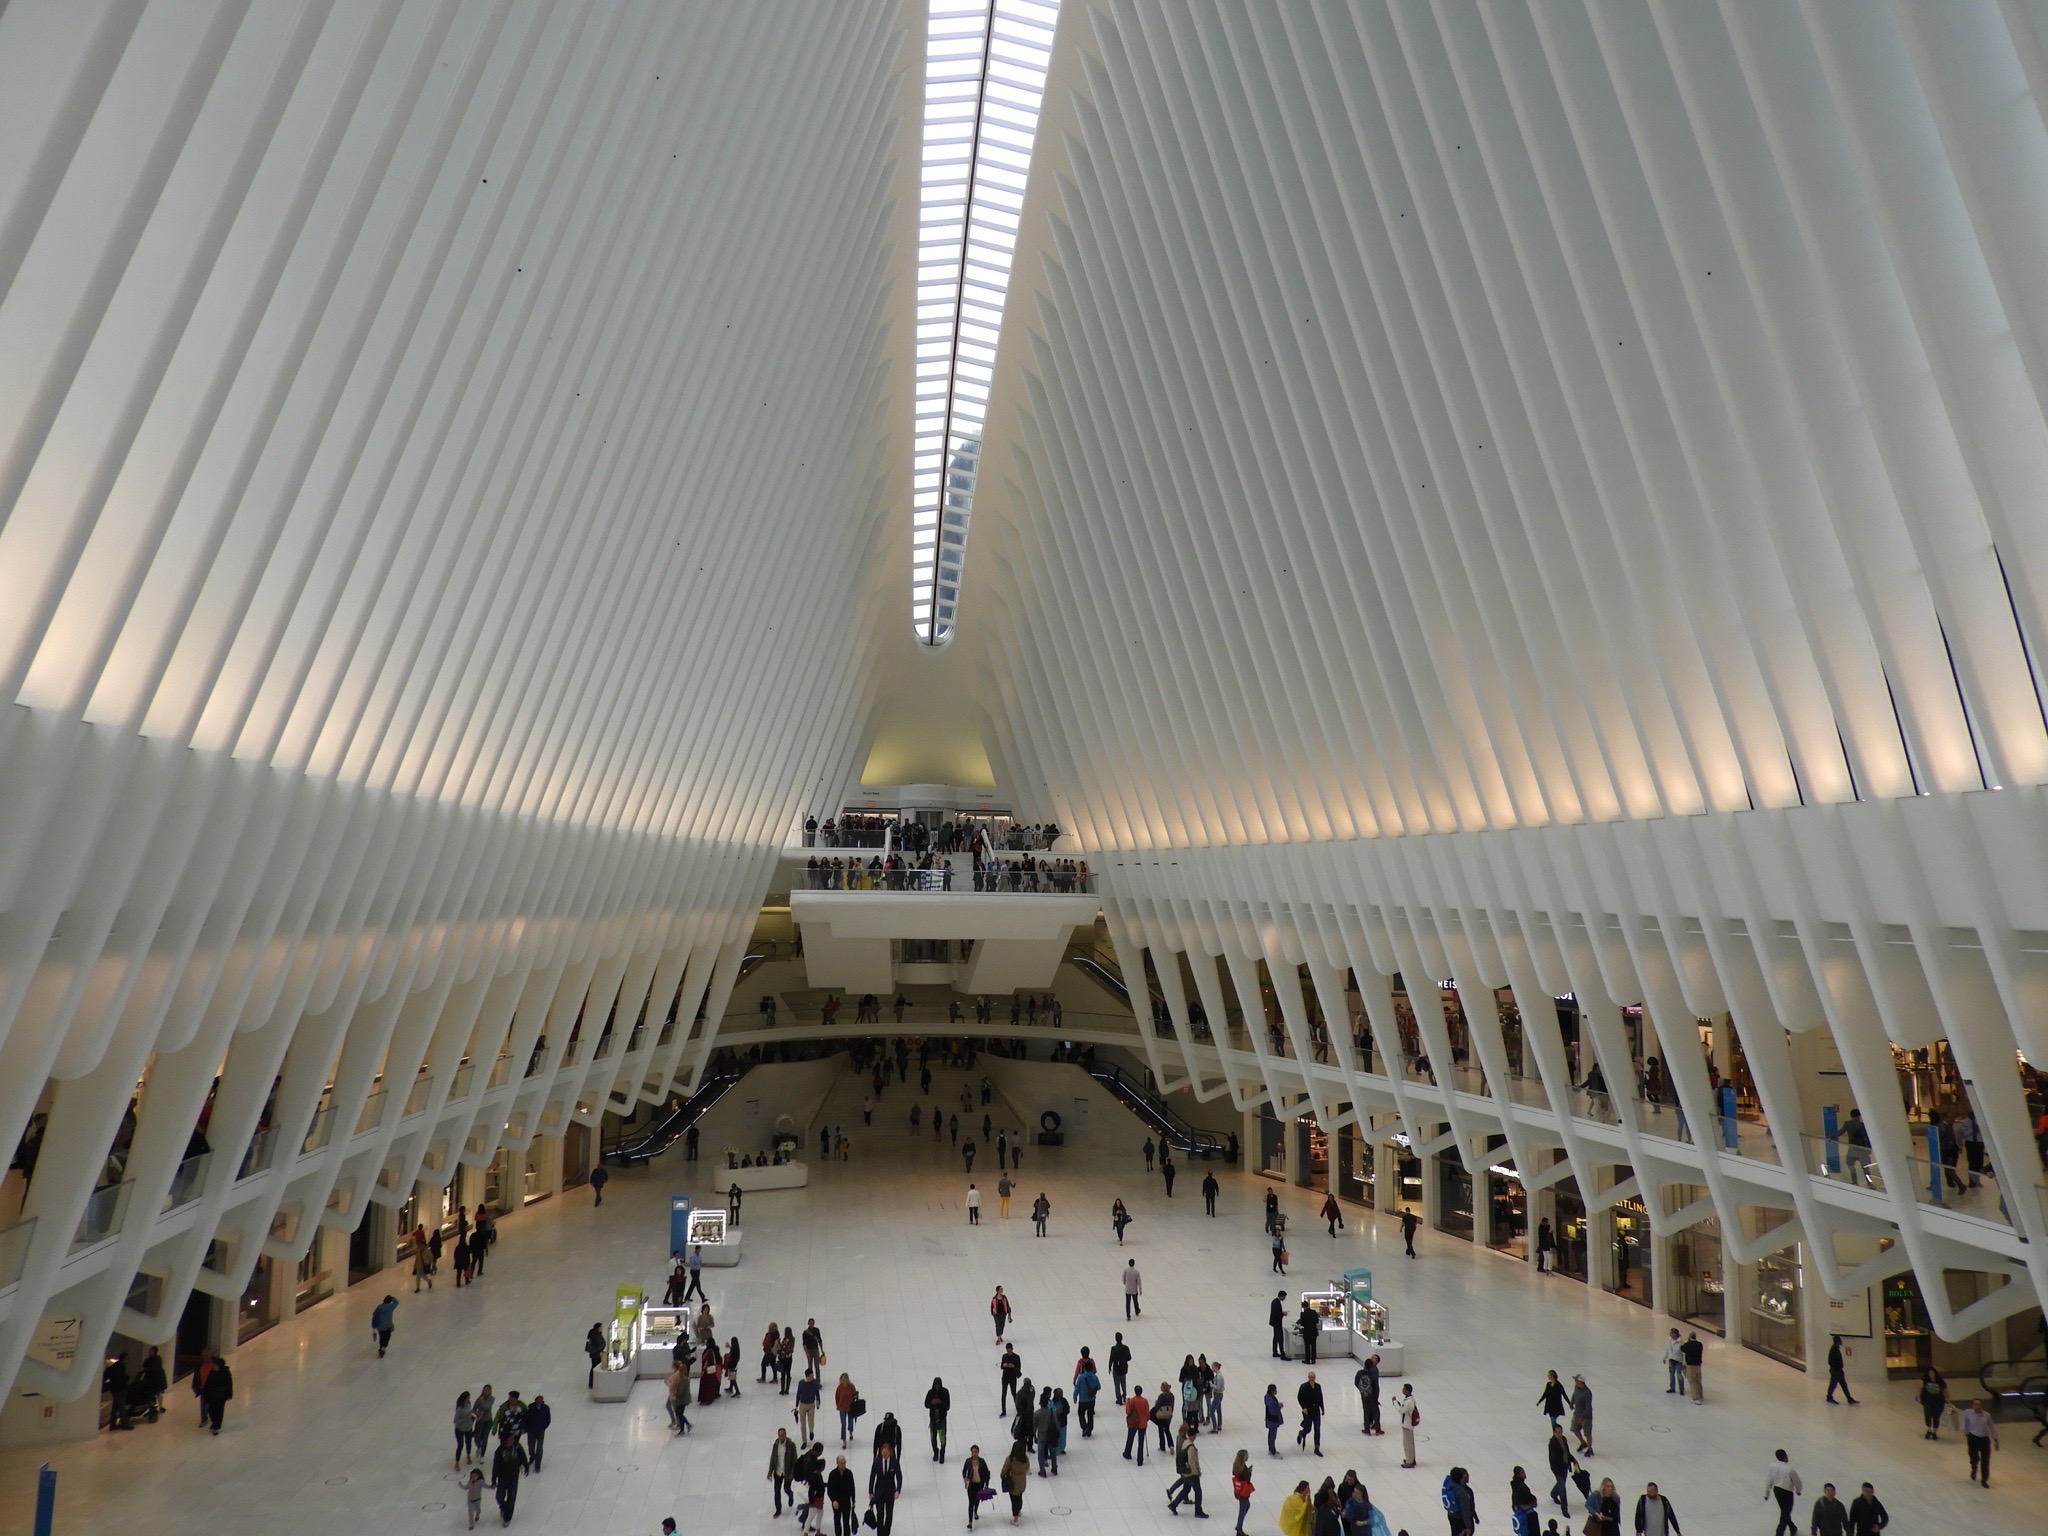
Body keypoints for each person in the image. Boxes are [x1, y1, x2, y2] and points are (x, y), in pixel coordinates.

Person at [490, 1430, 529, 1524]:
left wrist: (526, 1466)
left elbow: (523, 1456)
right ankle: (504, 1507)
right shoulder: (499, 1451)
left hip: (514, 1477)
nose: (513, 1440)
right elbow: (496, 1466)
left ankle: (507, 1518)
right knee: (499, 1497)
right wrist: (494, 1480)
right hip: (503, 1478)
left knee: (511, 1498)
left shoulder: (517, 1447)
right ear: (505, 1440)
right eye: (511, 1439)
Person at [1168, 1422, 1206, 1515]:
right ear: (1193, 1436)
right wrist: (1196, 1472)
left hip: (1185, 1471)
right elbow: (1192, 1461)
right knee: (1198, 1491)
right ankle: (1198, 1511)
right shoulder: (1191, 1447)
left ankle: (1174, 1504)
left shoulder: (1185, 1442)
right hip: (1191, 1473)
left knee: (1186, 1489)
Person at [1763, 1450, 1803, 1536]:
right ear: (1785, 1456)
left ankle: (1793, 1528)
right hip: (1787, 1493)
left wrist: (1767, 1493)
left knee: (1785, 1512)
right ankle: (1779, 1533)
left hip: (1777, 1491)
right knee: (1785, 1513)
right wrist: (1798, 1491)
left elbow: (1769, 1480)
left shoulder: (1772, 1467)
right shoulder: (1789, 1470)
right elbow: (1797, 1482)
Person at [1959, 1398, 1997, 1486]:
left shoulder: (1987, 1415)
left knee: (1986, 1460)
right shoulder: (1968, 1413)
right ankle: (1974, 1467)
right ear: (1973, 1406)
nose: (1978, 1406)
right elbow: (1966, 1425)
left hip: (1984, 1439)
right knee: (1973, 1456)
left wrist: (1995, 1440)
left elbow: (1992, 1427)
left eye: (1980, 1405)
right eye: (1976, 1404)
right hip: (1973, 1438)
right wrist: (1967, 1435)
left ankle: (1984, 1480)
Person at [869, 1443, 903, 1535]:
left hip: (890, 1493)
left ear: (889, 1453)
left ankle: (886, 1533)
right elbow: (872, 1476)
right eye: (882, 1453)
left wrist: (898, 1490)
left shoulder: (894, 1462)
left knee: (889, 1515)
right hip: (879, 1493)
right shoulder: (877, 1462)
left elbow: (899, 1476)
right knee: (880, 1515)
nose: (884, 1455)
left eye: (885, 1453)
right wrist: (871, 1492)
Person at [1545, 1424, 1576, 1515]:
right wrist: (1564, 1464)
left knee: (1561, 1483)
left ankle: (1554, 1494)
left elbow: (1567, 1452)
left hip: (1565, 1467)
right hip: (1558, 1469)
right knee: (1562, 1487)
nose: (1560, 1434)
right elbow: (1555, 1458)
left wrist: (1573, 1459)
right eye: (1558, 1432)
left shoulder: (1564, 1439)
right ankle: (1564, 1509)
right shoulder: (1552, 1443)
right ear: (1554, 1432)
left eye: (1561, 1432)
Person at [826, 1454, 858, 1536]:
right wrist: (833, 1500)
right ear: (837, 1463)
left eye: (844, 1463)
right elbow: (830, 1490)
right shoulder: (832, 1474)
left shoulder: (849, 1473)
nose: (843, 1465)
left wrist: (853, 1500)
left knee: (846, 1522)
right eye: (842, 1463)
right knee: (837, 1521)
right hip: (837, 1502)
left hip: (846, 1501)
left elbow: (852, 1487)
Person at [1001, 1439, 1031, 1524]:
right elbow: (1028, 1468)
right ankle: (1019, 1510)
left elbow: (1004, 1469)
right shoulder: (1025, 1458)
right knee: (1020, 1496)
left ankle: (1015, 1518)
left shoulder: (1010, 1459)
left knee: (1014, 1499)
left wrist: (1003, 1476)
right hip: (1022, 1480)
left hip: (1013, 1480)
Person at [1824, 1335, 1858, 1405]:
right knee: (1833, 1384)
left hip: (1838, 1370)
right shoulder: (1833, 1350)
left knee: (1843, 1385)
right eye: (1840, 1341)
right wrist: (1837, 1367)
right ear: (1837, 1342)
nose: (1841, 1342)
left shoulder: (1836, 1349)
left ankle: (1849, 1398)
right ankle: (1829, 1397)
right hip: (1835, 1371)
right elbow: (1830, 1361)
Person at [1296, 1372, 1324, 1456]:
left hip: (1316, 1411)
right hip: (1308, 1411)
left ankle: (1317, 1447)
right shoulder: (1304, 1387)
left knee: (1317, 1429)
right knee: (1308, 1428)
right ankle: (1301, 1433)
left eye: (1313, 1377)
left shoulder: (1318, 1387)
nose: (1312, 1379)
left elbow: (1320, 1398)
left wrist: (1322, 1408)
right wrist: (1304, 1407)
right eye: (1310, 1377)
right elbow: (1299, 1397)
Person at [964, 1444, 992, 1528]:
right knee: (970, 1502)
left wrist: (986, 1484)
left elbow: (987, 1473)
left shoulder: (982, 1462)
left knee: (977, 1500)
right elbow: (964, 1471)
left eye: (976, 1452)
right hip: (971, 1485)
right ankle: (970, 1522)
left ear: (978, 1452)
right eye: (973, 1452)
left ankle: (975, 1511)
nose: (974, 1453)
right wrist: (965, 1479)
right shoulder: (968, 1461)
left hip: (979, 1484)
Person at [1443, 1466, 1477, 1536]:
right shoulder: (1462, 1492)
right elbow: (1465, 1511)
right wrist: (1468, 1526)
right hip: (1460, 1519)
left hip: (1451, 1515)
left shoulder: (1449, 1484)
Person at [1074, 1353, 1101, 1437]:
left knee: (1081, 1414)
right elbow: (1099, 1387)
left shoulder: (1081, 1377)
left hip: (1082, 1400)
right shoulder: (1095, 1377)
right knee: (1090, 1414)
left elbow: (1077, 1388)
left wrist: (1075, 1397)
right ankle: (1089, 1429)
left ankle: (1084, 1427)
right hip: (1092, 1399)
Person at [1915, 1367, 1948, 1439]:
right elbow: (1920, 1389)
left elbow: (1945, 1391)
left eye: (1933, 1373)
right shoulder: (1925, 1381)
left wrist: (1949, 1401)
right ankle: (1929, 1429)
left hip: (1938, 1402)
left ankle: (1934, 1432)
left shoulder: (1940, 1381)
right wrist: (1919, 1397)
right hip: (1928, 1401)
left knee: (1936, 1417)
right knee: (1928, 1415)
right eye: (1930, 1373)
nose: (1931, 1375)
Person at [927, 1376, 952, 1461]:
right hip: (933, 1419)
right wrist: (932, 1403)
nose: (936, 1387)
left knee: (942, 1438)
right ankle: (935, 1452)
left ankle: (942, 1453)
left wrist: (940, 1402)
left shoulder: (945, 1392)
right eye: (935, 1385)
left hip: (941, 1419)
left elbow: (947, 1406)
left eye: (938, 1385)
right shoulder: (930, 1393)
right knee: (933, 1437)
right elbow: (926, 1404)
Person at [1124, 1383, 1151, 1463]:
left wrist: (1127, 1402)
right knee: (1141, 1441)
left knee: (1130, 1438)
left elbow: (1128, 1412)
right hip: (1143, 1423)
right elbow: (1147, 1414)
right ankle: (1140, 1459)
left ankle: (1127, 1453)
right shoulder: (1145, 1401)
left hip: (1134, 1423)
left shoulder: (1132, 1400)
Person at [1354, 1354, 1381, 1434]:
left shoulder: (1360, 1372)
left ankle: (1367, 1428)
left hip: (1364, 1395)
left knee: (1366, 1410)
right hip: (1372, 1394)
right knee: (1375, 1410)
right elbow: (1375, 1385)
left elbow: (1356, 1382)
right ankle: (1377, 1428)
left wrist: (1362, 1390)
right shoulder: (1373, 1373)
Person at [1231, 1449, 1255, 1535]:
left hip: (1238, 1490)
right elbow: (1247, 1479)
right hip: (1244, 1492)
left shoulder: (1236, 1466)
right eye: (1246, 1455)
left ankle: (1239, 1526)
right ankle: (1239, 1528)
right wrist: (1249, 1472)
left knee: (1247, 1506)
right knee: (1242, 1510)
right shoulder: (1243, 1468)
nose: (1247, 1457)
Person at [1395, 1384, 1419, 1468]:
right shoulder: (1410, 1399)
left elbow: (1401, 1410)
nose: (1402, 1390)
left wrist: (1395, 1403)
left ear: (1407, 1390)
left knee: (1407, 1444)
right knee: (1409, 1443)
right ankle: (1411, 1458)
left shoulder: (1409, 1402)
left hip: (1407, 1425)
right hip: (1408, 1424)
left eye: (1403, 1389)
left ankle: (1410, 1461)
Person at [1568, 1375, 1593, 1455]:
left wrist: (1582, 1417)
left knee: (1587, 1434)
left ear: (1581, 1382)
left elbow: (1588, 1406)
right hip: (1577, 1413)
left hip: (1586, 1417)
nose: (1575, 1382)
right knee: (1574, 1429)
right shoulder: (1576, 1388)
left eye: (1576, 1380)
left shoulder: (1587, 1392)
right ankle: (1583, 1443)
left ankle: (1589, 1449)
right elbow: (1574, 1395)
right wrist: (1571, 1403)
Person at [524, 1394, 550, 1471]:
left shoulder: (545, 1408)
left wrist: (543, 1428)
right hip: (531, 1431)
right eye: (537, 1399)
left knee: (539, 1448)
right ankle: (532, 1457)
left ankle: (537, 1465)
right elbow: (526, 1418)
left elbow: (548, 1419)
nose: (538, 1401)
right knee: (531, 1446)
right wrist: (527, 1428)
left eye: (540, 1399)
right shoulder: (531, 1407)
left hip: (540, 1431)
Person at [835, 1373, 860, 1447]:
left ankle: (851, 1432)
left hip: (850, 1407)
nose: (842, 1381)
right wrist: (838, 1405)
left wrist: (855, 1395)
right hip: (842, 1408)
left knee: (850, 1421)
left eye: (844, 1380)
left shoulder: (851, 1387)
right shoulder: (839, 1388)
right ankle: (844, 1440)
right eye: (841, 1380)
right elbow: (837, 1397)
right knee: (843, 1424)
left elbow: (854, 1395)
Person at [1681, 1332, 1704, 1403]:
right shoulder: (1700, 1344)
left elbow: (1682, 1348)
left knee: (1692, 1381)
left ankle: (1695, 1398)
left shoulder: (1688, 1345)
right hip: (1698, 1365)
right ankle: (1700, 1396)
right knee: (1698, 1381)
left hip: (1691, 1365)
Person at [1296, 1300, 1321, 1365]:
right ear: (1308, 1305)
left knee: (1307, 1346)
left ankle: (1307, 1360)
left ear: (1303, 1307)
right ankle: (1313, 1360)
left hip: (1307, 1332)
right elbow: (1317, 1321)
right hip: (1314, 1331)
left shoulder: (1303, 1314)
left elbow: (1302, 1323)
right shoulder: (1314, 1312)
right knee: (1313, 1346)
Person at [1109, 1333, 1132, 1402]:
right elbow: (1129, 1357)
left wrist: (1109, 1366)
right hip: (1124, 1368)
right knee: (1123, 1382)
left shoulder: (1113, 1349)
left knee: (1117, 1384)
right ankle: (1124, 1395)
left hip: (1116, 1368)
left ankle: (1119, 1398)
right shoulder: (1126, 1348)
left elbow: (1111, 1358)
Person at [1000, 1345, 1023, 1414]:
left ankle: (1018, 1409)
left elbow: (1018, 1367)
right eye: (1008, 1350)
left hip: (1012, 1377)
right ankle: (1003, 1410)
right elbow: (1001, 1366)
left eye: (1010, 1350)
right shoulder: (1004, 1356)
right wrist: (1004, 1365)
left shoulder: (1016, 1357)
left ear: (1012, 1349)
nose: (1009, 1351)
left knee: (1014, 1393)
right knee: (1004, 1394)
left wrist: (1013, 1366)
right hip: (1005, 1377)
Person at [1263, 1383, 1284, 1456]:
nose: (1276, 1391)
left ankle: (1271, 1449)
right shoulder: (1271, 1401)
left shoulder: (1267, 1397)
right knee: (1272, 1436)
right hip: (1273, 1420)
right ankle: (1272, 1451)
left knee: (1271, 1435)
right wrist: (1279, 1407)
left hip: (1270, 1419)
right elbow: (1273, 1412)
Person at [1661, 1330, 1683, 1394]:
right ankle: (1672, 1388)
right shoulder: (1669, 1341)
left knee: (1679, 1375)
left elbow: (1683, 1353)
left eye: (1671, 1334)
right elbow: (1667, 1349)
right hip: (1671, 1359)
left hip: (1678, 1360)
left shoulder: (1681, 1342)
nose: (1670, 1335)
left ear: (1675, 1334)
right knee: (1671, 1374)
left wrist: (1684, 1362)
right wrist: (1665, 1357)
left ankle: (1681, 1389)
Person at [585, 1322, 606, 1387]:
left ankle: (592, 1382)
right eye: (601, 1327)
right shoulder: (596, 1336)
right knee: (595, 1368)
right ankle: (593, 1383)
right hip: (597, 1355)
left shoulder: (594, 1334)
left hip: (595, 1354)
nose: (602, 1328)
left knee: (594, 1367)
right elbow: (599, 1344)